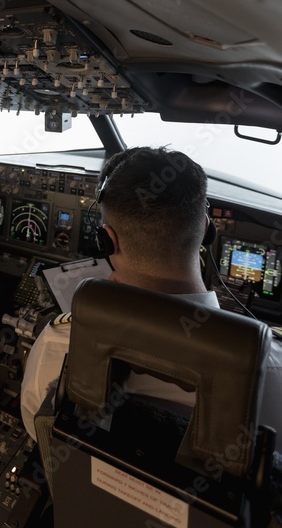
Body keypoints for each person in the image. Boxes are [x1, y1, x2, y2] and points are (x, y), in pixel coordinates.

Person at [20, 146, 282, 441]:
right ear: (207, 230)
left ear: (108, 240)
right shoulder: (270, 368)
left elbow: (39, 430)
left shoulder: (59, 343)